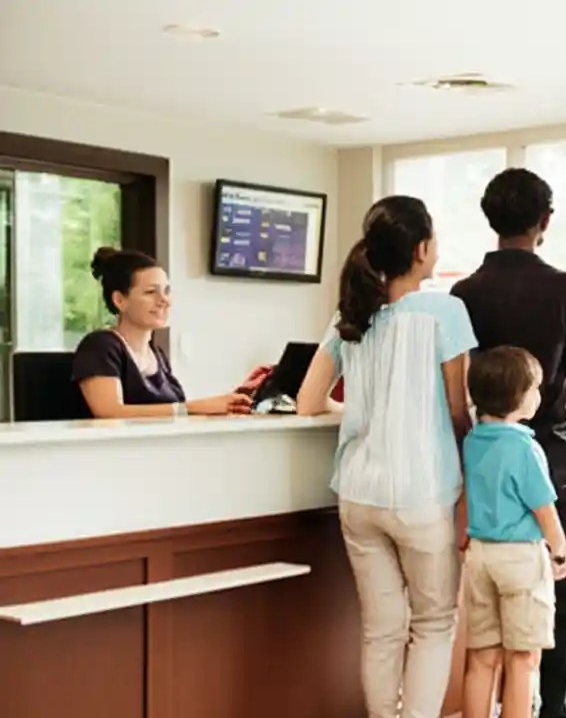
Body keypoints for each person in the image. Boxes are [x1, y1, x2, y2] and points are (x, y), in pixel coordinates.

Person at [295, 195, 476, 718]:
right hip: (423, 495)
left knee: (382, 629)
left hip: (358, 493)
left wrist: (362, 410)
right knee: (433, 623)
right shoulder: (445, 311)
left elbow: (308, 401)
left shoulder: (352, 314)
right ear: (422, 249)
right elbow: (458, 411)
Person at [450, 167, 566, 718]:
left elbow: (456, 380)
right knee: (560, 592)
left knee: (487, 630)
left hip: (485, 458)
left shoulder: (463, 293)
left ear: (491, 220)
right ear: (545, 221)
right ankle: (553, 708)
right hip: (554, 455)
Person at [461, 346, 566, 718]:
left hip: (480, 555)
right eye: (535, 389)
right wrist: (560, 549)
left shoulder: (473, 441)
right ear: (517, 397)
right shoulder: (525, 447)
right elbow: (543, 508)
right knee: (523, 659)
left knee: (482, 657)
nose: (539, 396)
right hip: (520, 559)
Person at [72, 247, 252, 418]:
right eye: (151, 292)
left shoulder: (156, 354)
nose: (164, 300)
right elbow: (110, 411)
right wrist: (192, 408)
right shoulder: (100, 345)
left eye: (166, 291)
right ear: (119, 300)